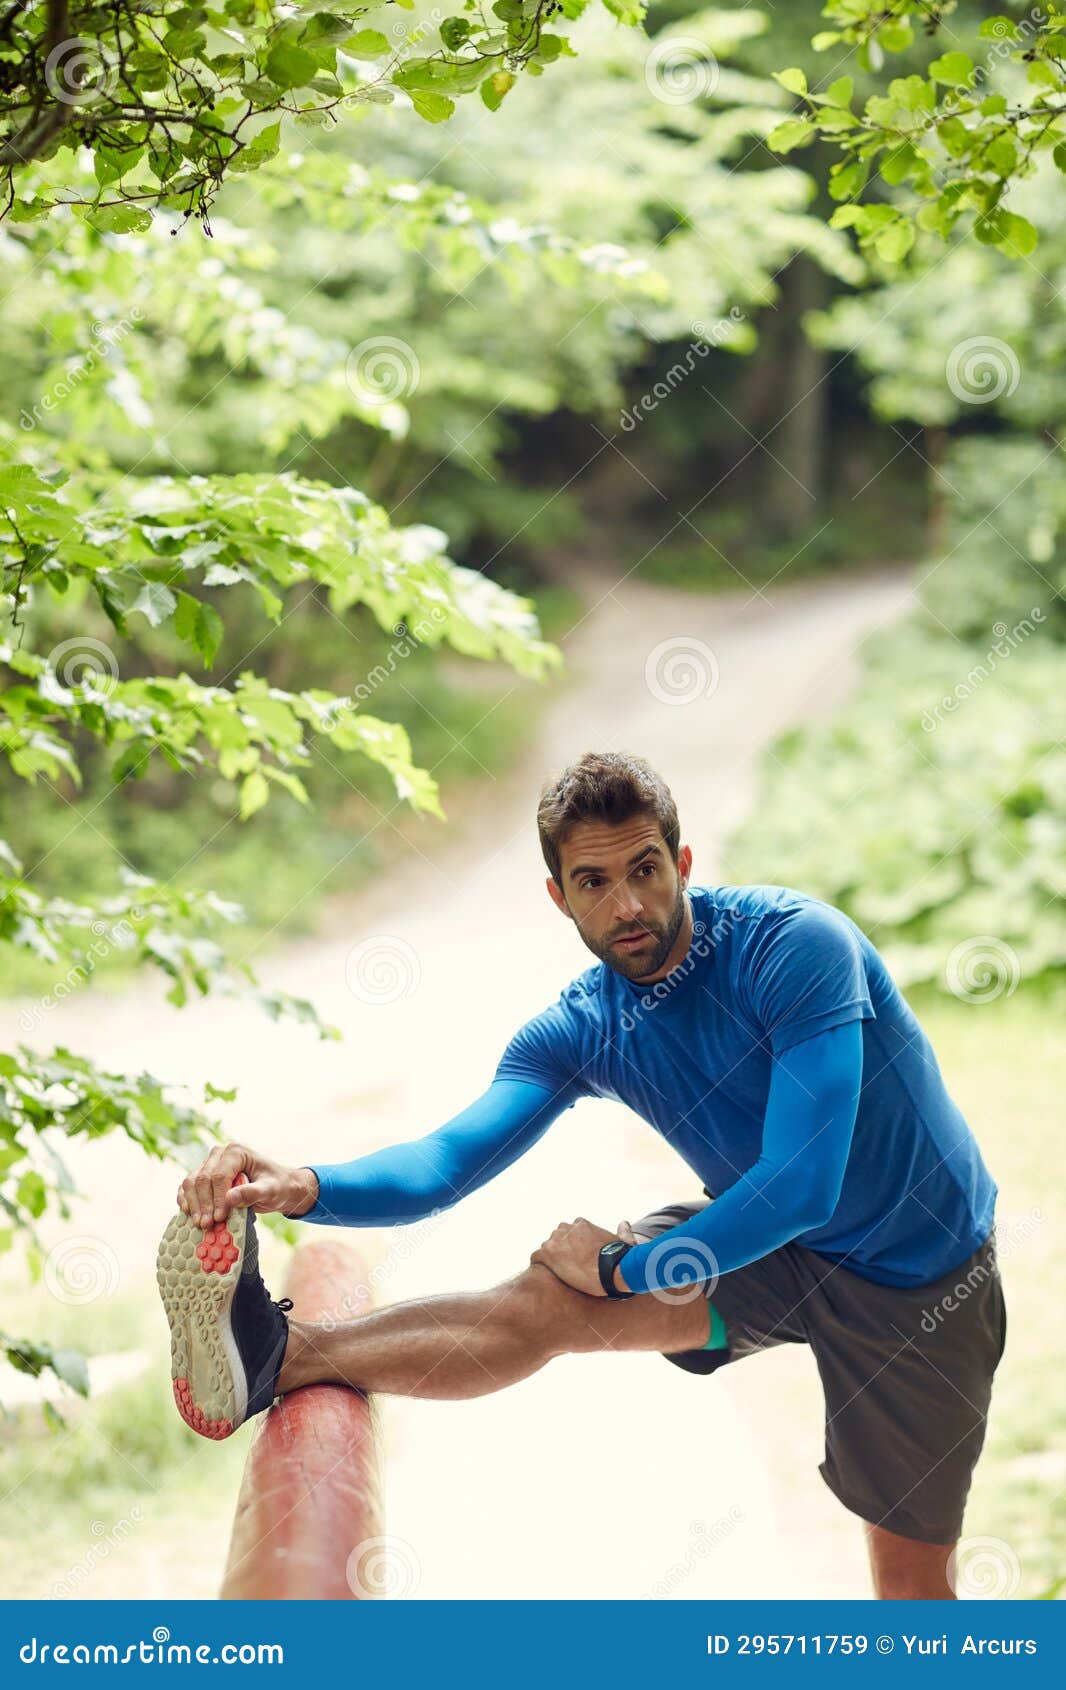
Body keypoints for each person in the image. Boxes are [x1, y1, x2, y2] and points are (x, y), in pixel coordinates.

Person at [157, 751, 1006, 1599]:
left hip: (917, 1278)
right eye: (593, 882)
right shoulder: (580, 1028)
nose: (627, 905)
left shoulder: (794, 948)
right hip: (766, 1246)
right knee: (547, 1302)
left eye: (644, 870)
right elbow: (444, 1165)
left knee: (910, 1600)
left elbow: (801, 1184)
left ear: (682, 863)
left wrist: (622, 1266)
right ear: (560, 897)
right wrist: (304, 1184)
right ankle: (276, 1356)